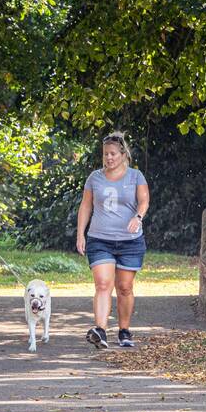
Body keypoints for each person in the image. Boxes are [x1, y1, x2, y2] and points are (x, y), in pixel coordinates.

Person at [75, 131, 150, 349]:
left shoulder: (136, 176)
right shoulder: (94, 178)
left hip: (130, 241)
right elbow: (85, 206)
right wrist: (80, 234)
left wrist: (138, 217)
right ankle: (100, 330)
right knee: (103, 284)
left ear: (123, 154)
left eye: (113, 154)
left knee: (124, 287)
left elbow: (144, 201)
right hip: (100, 239)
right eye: (105, 154)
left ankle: (124, 331)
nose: (109, 158)